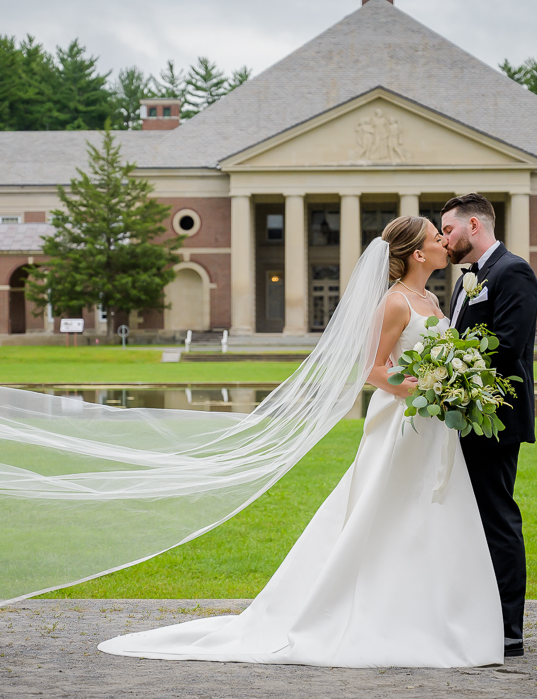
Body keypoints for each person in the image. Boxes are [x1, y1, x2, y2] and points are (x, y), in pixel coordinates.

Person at [97, 215, 504, 667]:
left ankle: (432, 613)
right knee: (390, 509)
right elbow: (369, 366)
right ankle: (371, 610)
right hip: (402, 423)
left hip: (434, 427)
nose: (445, 242)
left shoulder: (430, 296)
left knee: (430, 513)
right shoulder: (394, 303)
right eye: (436, 237)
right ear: (417, 254)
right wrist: (413, 387)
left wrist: (453, 382)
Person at [440, 193, 537, 658]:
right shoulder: (465, 282)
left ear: (474, 225)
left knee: (497, 519)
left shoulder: (512, 271)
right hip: (462, 415)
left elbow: (508, 345)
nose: (445, 239)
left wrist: (444, 365)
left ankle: (508, 631)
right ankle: (472, 618)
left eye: (449, 230)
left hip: (494, 417)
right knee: (466, 520)